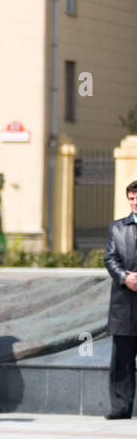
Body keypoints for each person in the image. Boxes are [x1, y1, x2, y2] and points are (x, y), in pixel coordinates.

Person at [104, 179, 137, 419]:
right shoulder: (117, 227)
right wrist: (125, 278)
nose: (134, 202)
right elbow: (110, 258)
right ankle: (121, 407)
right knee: (122, 360)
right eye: (132, 198)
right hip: (124, 303)